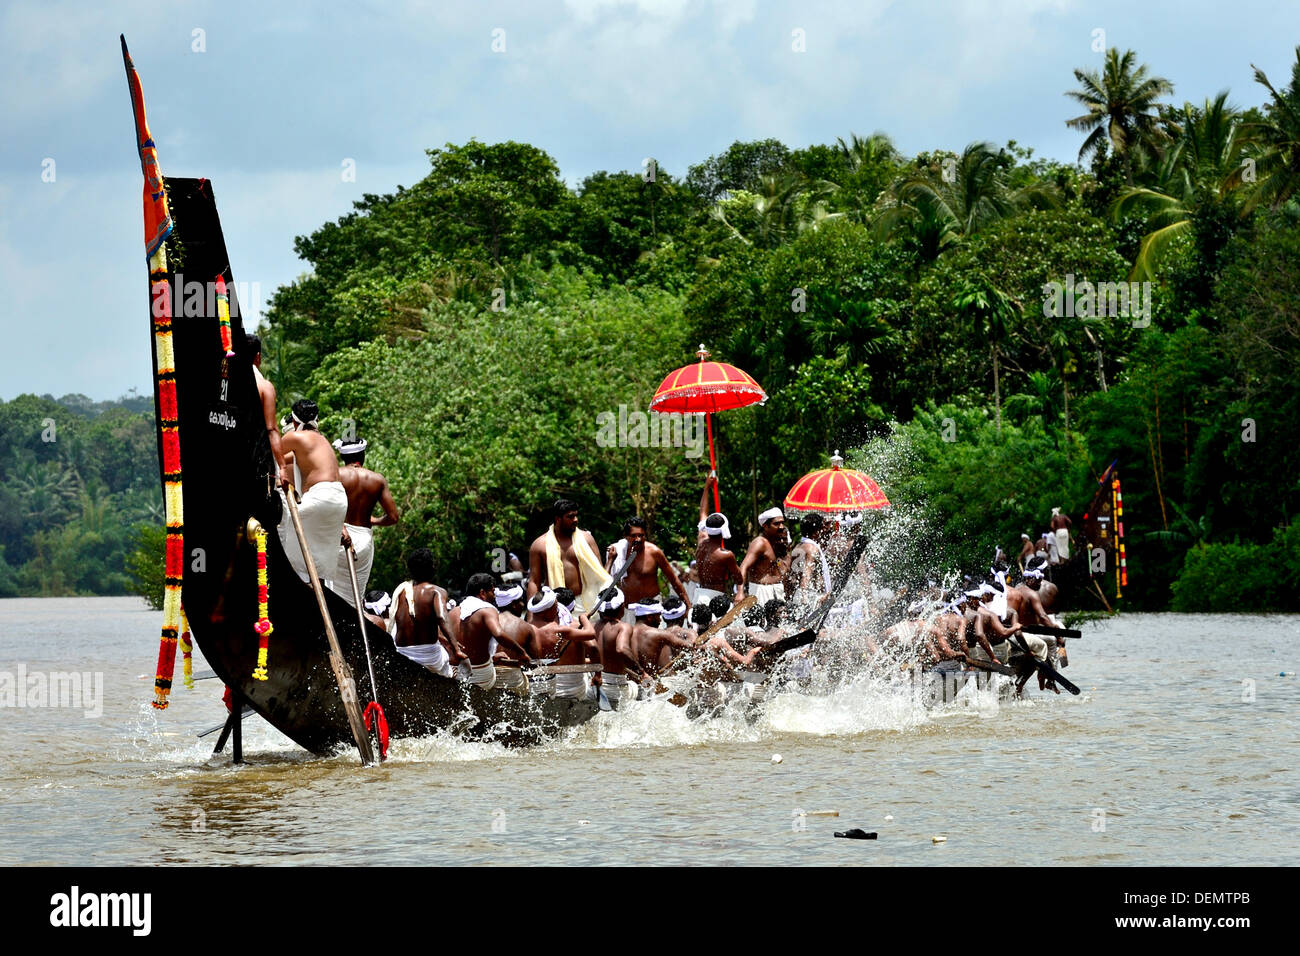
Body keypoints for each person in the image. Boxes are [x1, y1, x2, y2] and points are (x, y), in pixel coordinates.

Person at [278, 399, 347, 589]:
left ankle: (296, 587)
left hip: (321, 496)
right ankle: (318, 589)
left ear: (293, 422)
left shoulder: (295, 437)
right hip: (339, 499)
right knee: (317, 553)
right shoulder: (321, 439)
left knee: (286, 535)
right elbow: (293, 457)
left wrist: (281, 470)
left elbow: (272, 450)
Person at [332, 436, 399, 606]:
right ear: (362, 456)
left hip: (337, 538)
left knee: (332, 594)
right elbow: (393, 517)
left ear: (342, 456)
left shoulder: (335, 475)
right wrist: (374, 520)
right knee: (355, 598)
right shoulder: (377, 479)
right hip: (363, 542)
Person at [528, 499, 611, 616]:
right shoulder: (539, 545)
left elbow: (600, 574)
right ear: (558, 519)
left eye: (576, 515)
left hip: (588, 602)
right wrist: (532, 614)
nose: (575, 520)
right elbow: (534, 582)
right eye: (570, 517)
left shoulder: (587, 539)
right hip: (555, 605)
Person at [392, 549, 465, 678]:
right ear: (431, 568)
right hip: (429, 658)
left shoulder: (401, 593)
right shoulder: (436, 591)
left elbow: (416, 624)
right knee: (454, 672)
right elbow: (441, 618)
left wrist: (445, 640)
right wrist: (456, 649)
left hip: (402, 654)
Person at [457, 572, 533, 693]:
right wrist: (521, 652)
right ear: (482, 593)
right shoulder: (488, 611)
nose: (494, 597)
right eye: (492, 592)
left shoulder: (454, 612)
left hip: (457, 673)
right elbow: (498, 634)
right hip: (481, 676)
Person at [605, 516, 691, 621]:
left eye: (641, 535)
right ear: (626, 536)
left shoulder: (654, 552)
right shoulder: (617, 553)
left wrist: (688, 606)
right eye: (634, 536)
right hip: (628, 609)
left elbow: (673, 580)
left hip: (652, 610)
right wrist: (610, 560)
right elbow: (605, 580)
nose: (638, 539)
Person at [526, 585, 597, 699]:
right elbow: (592, 640)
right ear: (547, 611)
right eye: (555, 607)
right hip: (559, 686)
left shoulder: (525, 628)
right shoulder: (562, 629)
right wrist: (583, 619)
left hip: (534, 684)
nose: (557, 609)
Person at [592, 586, 646, 707]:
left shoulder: (590, 626)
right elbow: (621, 649)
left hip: (594, 687)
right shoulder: (623, 627)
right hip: (615, 690)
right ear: (622, 607)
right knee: (644, 691)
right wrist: (641, 672)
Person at [694, 476, 743, 605]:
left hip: (699, 596)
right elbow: (739, 578)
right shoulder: (726, 555)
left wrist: (706, 488)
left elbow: (702, 512)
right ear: (723, 530)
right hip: (716, 599)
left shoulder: (701, 541)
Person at [247, 333, 287, 483]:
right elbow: (271, 429)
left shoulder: (226, 382)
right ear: (258, 357)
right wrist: (283, 468)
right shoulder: (264, 387)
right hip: (257, 460)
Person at [740, 506, 792, 605]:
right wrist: (740, 592)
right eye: (776, 524)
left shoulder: (778, 543)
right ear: (765, 526)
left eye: (782, 522)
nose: (781, 526)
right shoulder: (760, 543)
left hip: (778, 592)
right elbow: (744, 566)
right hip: (761, 592)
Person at [787, 512, 832, 605]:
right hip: (811, 597)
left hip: (798, 595)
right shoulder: (812, 549)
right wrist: (804, 598)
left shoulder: (798, 546)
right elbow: (807, 573)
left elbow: (791, 575)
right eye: (822, 529)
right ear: (816, 533)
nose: (824, 531)